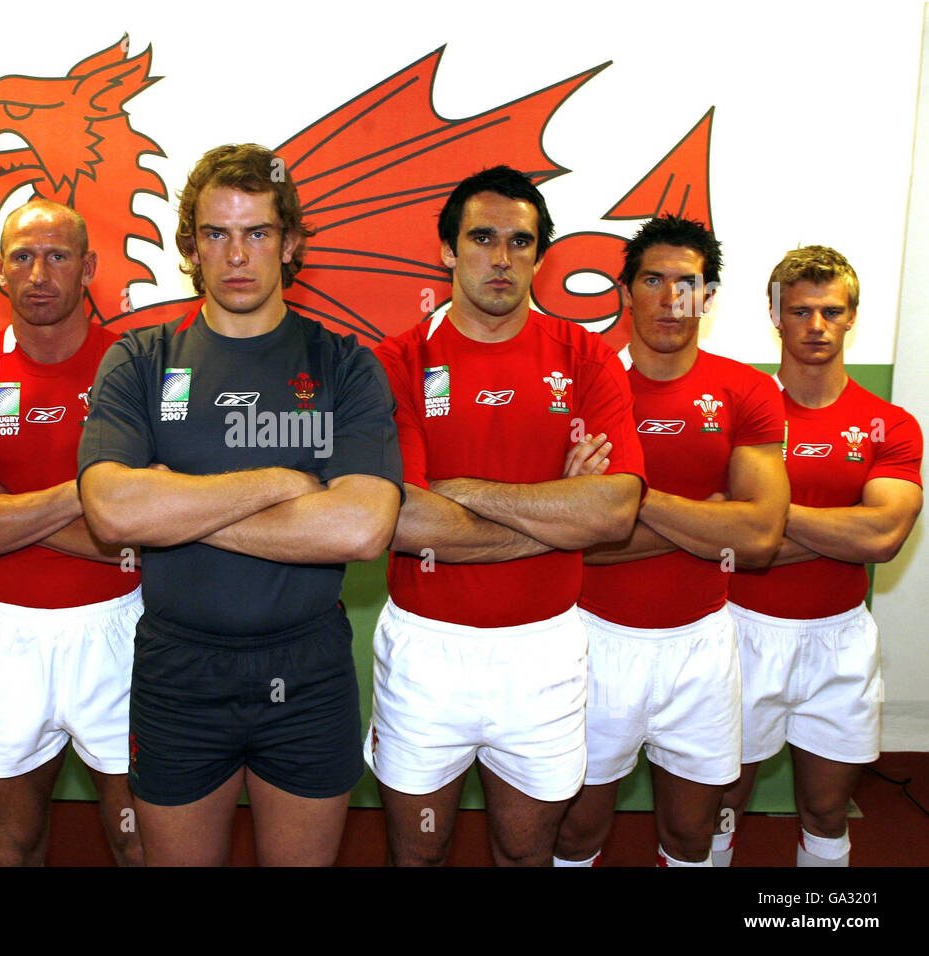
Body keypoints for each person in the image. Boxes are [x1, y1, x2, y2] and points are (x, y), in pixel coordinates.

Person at [78, 143, 403, 866]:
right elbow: (113, 513)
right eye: (216, 234)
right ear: (189, 246)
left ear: (291, 244)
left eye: (257, 232)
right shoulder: (140, 359)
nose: (236, 254)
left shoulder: (345, 364)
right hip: (178, 670)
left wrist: (177, 507)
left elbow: (361, 526)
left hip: (309, 669)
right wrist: (284, 482)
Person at [367, 165, 645, 866]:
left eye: (520, 242)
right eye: (482, 238)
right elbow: (400, 520)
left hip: (544, 650)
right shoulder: (397, 360)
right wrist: (555, 510)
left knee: (525, 856)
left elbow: (613, 511)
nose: (501, 258)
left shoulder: (585, 356)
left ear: (541, 257)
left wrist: (458, 487)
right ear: (446, 250)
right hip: (427, 651)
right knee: (419, 856)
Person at [553, 216, 789, 867]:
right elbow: (568, 539)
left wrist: (628, 500)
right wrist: (709, 519)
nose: (669, 297)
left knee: (691, 834)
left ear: (707, 297)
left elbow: (761, 535)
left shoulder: (748, 390)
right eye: (652, 280)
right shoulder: (578, 386)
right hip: (594, 637)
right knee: (576, 832)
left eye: (686, 283)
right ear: (625, 292)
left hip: (702, 646)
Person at [0, 199, 142, 866]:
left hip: (121, 629)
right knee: (12, 841)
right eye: (23, 256)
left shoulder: (136, 368)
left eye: (58, 256)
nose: (39, 273)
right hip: (3, 637)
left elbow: (152, 520)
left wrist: (2, 509)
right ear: (0, 271)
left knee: (137, 837)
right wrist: (92, 494)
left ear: (88, 268)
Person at [716, 246, 922, 867]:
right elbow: (722, 541)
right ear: (775, 316)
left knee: (827, 812)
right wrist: (839, 533)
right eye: (800, 311)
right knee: (721, 806)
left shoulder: (888, 424)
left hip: (839, 638)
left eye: (831, 311)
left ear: (851, 317)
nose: (816, 326)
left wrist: (765, 520)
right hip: (743, 634)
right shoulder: (737, 415)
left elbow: (883, 538)